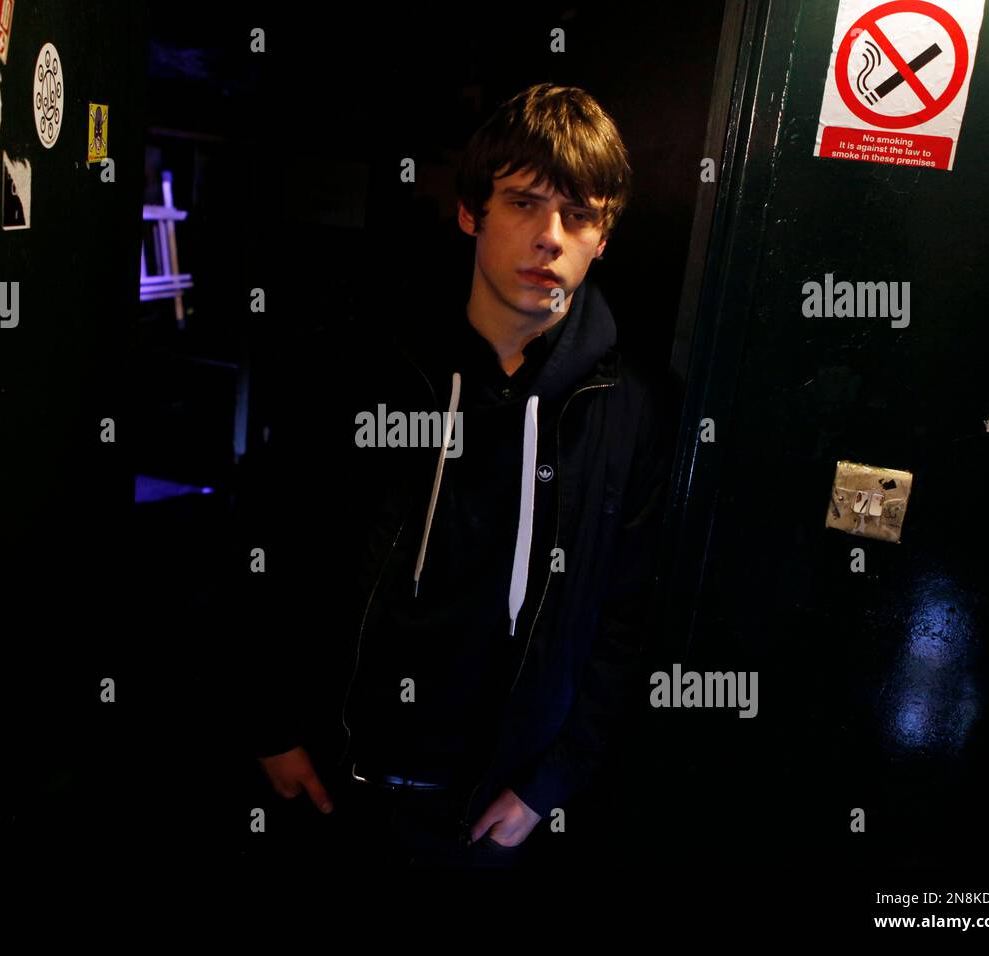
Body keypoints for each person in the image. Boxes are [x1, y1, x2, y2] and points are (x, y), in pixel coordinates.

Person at [233, 83, 675, 868]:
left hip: (493, 808)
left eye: (578, 215)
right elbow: (269, 533)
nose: (549, 238)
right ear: (471, 212)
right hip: (334, 776)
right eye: (523, 203)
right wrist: (268, 720)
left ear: (603, 237)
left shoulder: (625, 408)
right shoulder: (367, 362)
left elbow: (624, 615)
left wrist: (552, 783)